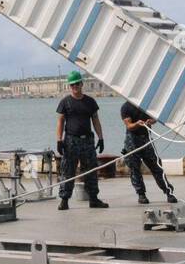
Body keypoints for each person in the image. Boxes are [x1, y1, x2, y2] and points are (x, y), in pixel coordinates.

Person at [54, 70, 108, 210]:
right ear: (69, 86)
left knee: (91, 170)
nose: (75, 87)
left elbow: (95, 120)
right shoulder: (65, 102)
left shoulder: (90, 102)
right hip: (71, 141)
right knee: (68, 170)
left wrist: (101, 138)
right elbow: (60, 122)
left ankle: (93, 199)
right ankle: (64, 200)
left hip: (87, 141)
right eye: (72, 85)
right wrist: (59, 140)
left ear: (81, 84)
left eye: (77, 84)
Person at [120, 100, 177, 206]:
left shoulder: (147, 104)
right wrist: (137, 124)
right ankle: (141, 194)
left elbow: (155, 117)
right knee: (134, 169)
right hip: (132, 140)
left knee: (157, 167)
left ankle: (168, 192)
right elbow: (129, 125)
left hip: (146, 139)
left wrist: (152, 121)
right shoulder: (126, 107)